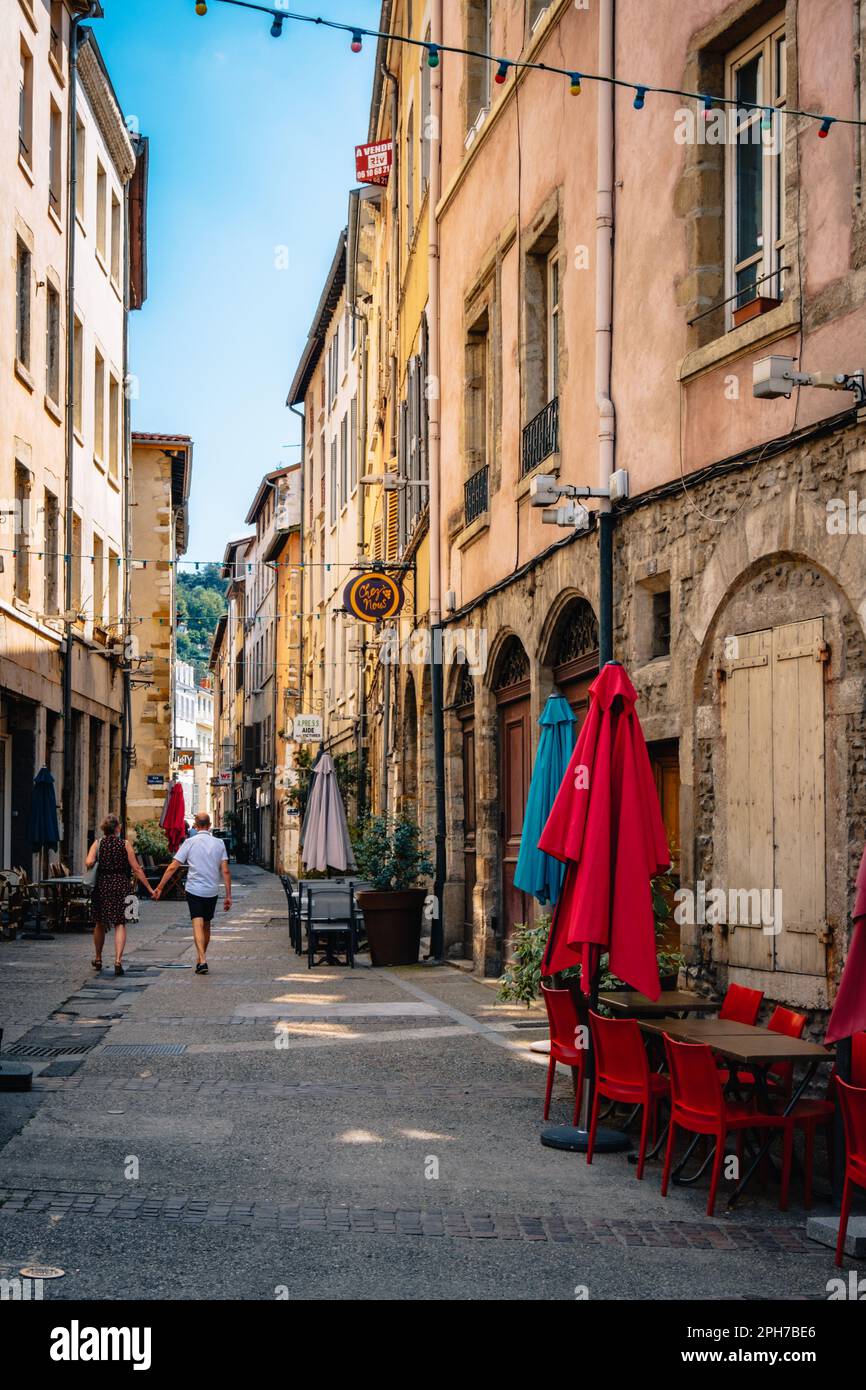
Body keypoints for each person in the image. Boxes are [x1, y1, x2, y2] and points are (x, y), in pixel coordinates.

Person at [152, 811, 231, 974]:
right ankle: (201, 958)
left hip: (194, 889)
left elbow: (173, 866)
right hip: (211, 889)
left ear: (195, 826)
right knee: (207, 924)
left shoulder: (189, 842)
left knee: (197, 921)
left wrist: (160, 887)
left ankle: (202, 960)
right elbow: (225, 871)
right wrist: (229, 895)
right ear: (209, 826)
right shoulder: (219, 844)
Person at [85, 815, 155, 976]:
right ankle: (118, 960)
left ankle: (98, 958)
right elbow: (136, 868)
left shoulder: (98, 843)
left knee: (99, 922)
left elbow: (88, 862)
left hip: (102, 885)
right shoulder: (125, 844)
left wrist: (95, 860)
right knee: (120, 923)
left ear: (104, 828)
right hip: (121, 885)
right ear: (118, 828)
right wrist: (150, 889)